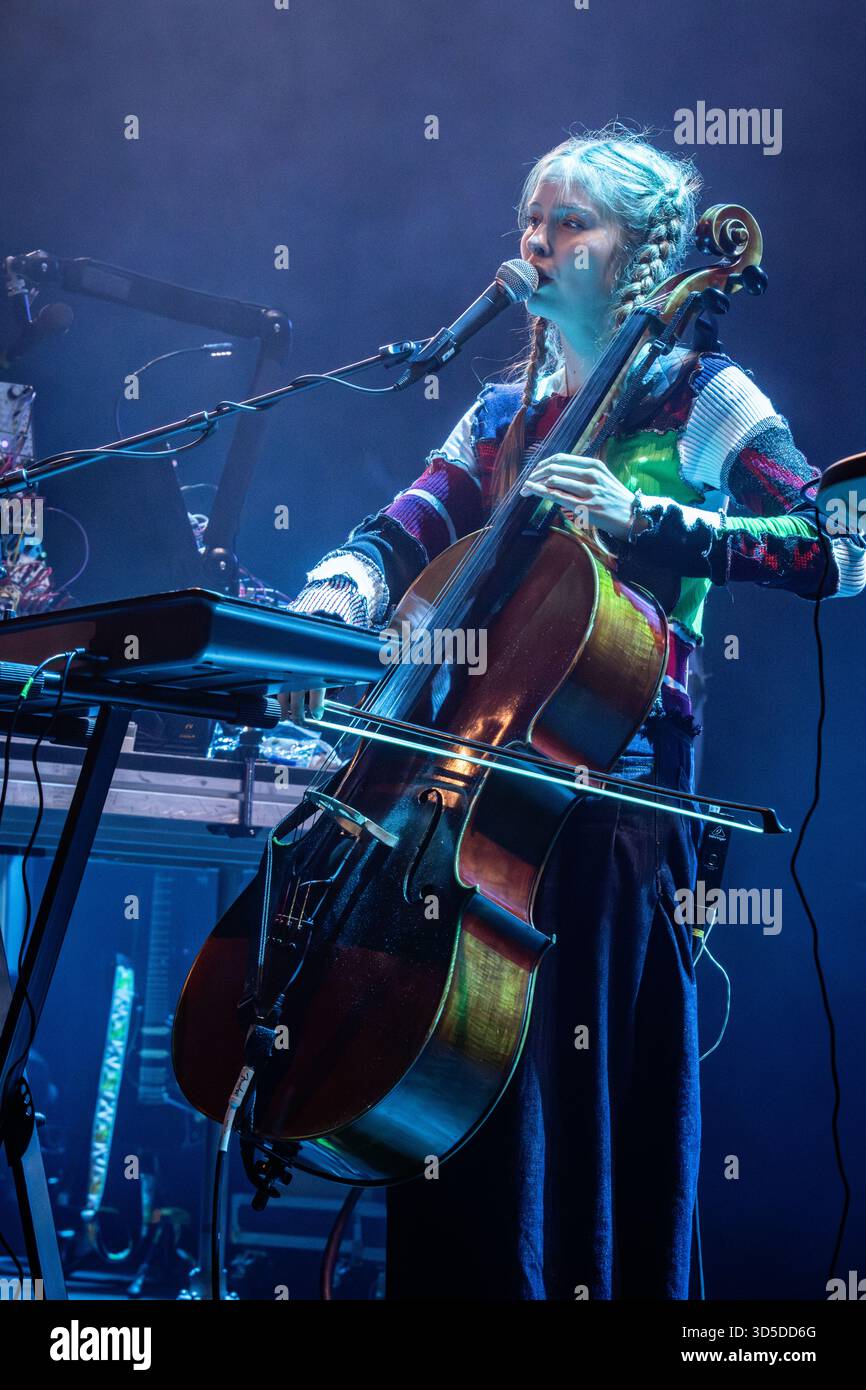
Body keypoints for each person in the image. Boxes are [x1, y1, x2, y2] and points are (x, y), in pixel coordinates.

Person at [286, 127, 866, 1300]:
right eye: (531, 219)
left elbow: (836, 547)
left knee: (571, 1100)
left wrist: (646, 520)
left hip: (609, 815)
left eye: (569, 222)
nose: (537, 240)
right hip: (468, 795)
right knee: (455, 1105)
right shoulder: (502, 411)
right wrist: (318, 611)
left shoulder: (700, 396)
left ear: (639, 255)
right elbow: (396, 532)